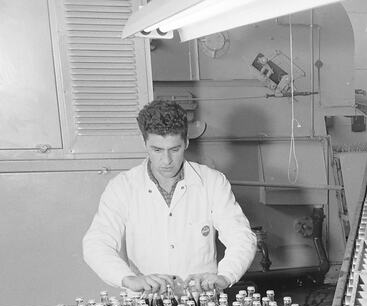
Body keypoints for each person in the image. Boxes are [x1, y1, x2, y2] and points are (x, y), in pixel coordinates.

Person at [82, 99, 257, 294]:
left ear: (187, 143)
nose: (166, 161)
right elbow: (97, 243)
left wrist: (226, 276)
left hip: (201, 302)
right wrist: (128, 279)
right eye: (157, 150)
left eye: (175, 149)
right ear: (144, 144)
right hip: (145, 303)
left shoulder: (212, 182)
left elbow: (241, 237)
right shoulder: (122, 187)